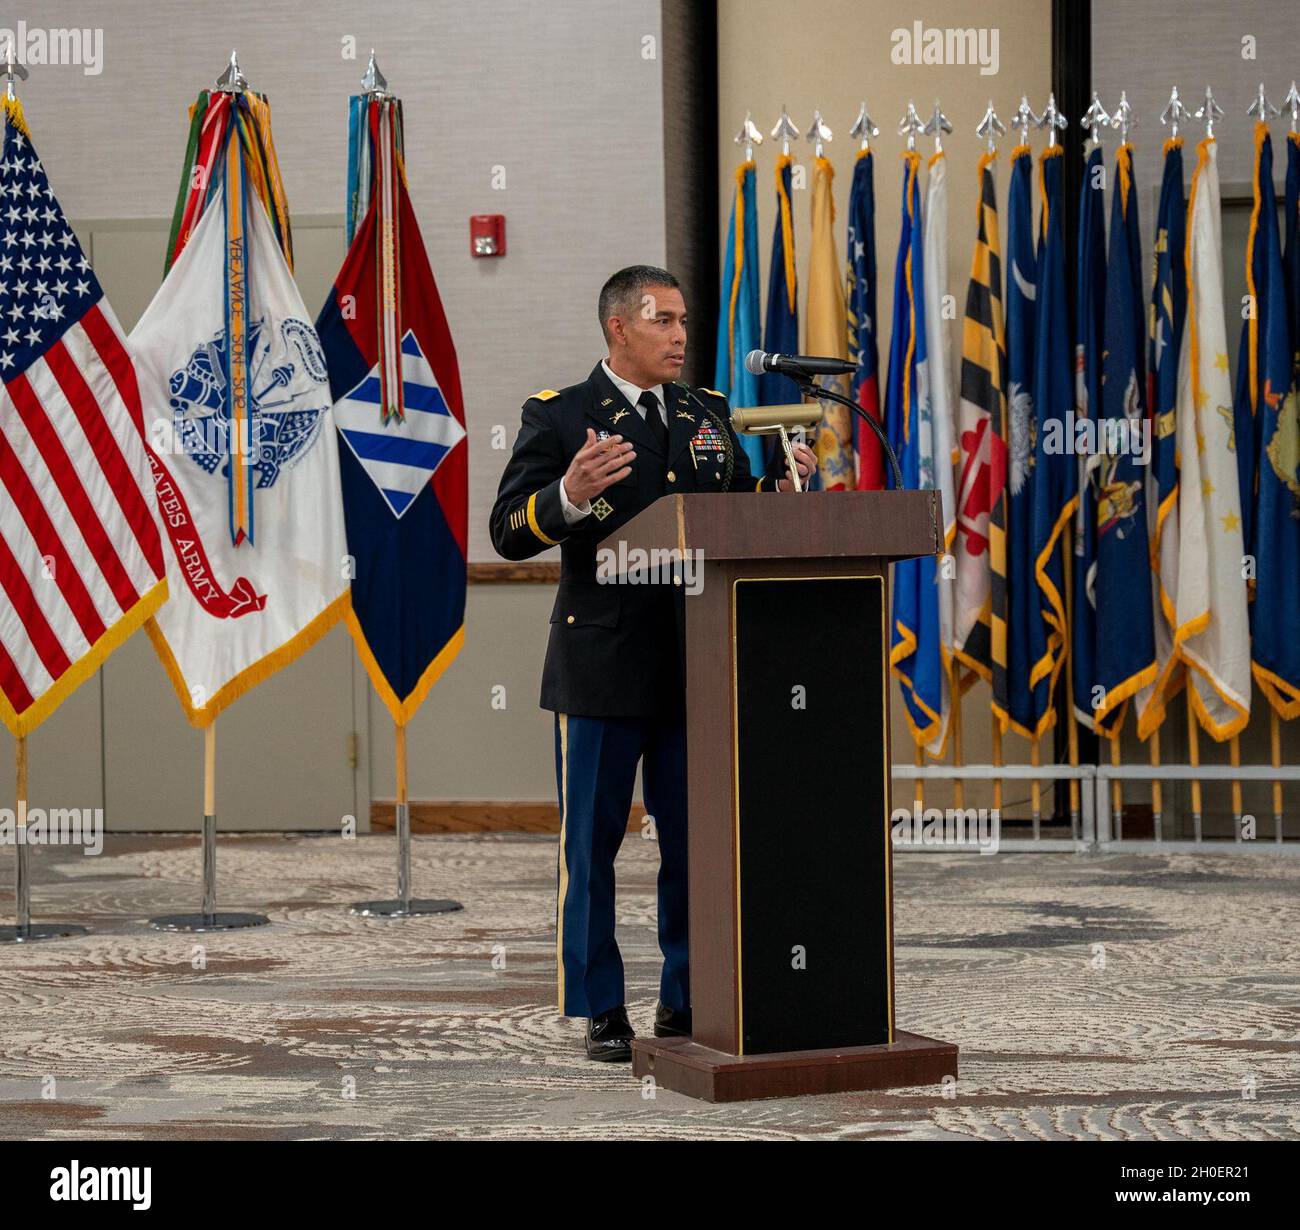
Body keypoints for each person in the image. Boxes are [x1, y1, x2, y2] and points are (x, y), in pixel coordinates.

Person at [490, 265, 816, 1061]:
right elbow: (507, 530)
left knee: (697, 840)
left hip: (696, 662)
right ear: (617, 329)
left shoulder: (706, 411)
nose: (679, 335)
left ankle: (688, 994)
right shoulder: (562, 416)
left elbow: (731, 508)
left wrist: (780, 484)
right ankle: (601, 1004)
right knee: (592, 847)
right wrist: (564, 496)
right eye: (662, 321)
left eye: (682, 320)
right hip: (601, 664)